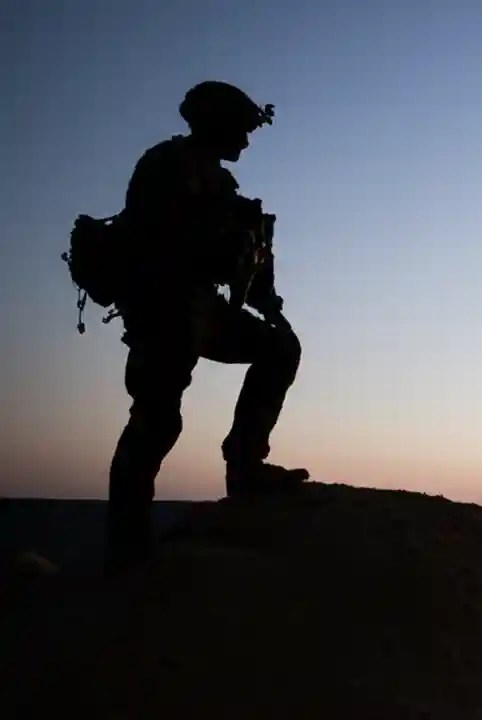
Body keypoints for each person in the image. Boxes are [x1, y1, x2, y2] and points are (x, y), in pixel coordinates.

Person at [105, 81, 309, 576]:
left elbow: (239, 255)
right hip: (164, 310)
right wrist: (217, 245)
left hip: (199, 308)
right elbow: (157, 240)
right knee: (155, 422)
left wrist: (260, 286)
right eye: (240, 128)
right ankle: (127, 548)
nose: (246, 139)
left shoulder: (217, 181)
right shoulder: (166, 166)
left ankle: (245, 468)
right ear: (214, 123)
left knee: (279, 348)